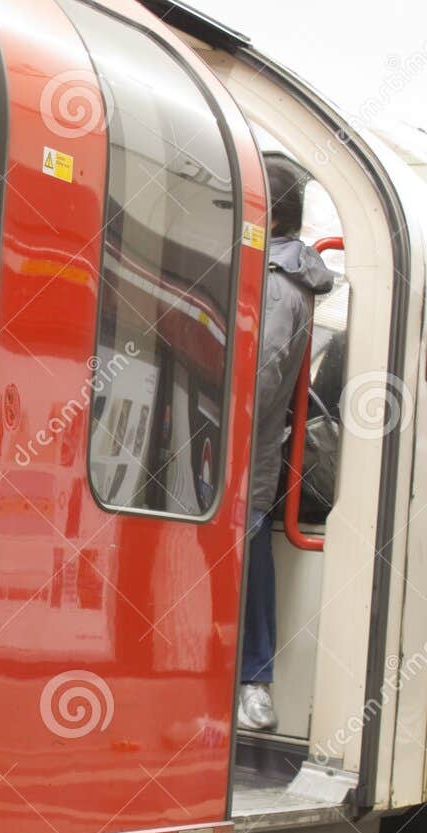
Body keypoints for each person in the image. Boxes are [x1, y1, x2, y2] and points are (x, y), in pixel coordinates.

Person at [239, 155, 334, 731]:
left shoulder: (275, 283)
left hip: (241, 457)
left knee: (246, 561)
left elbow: (258, 376)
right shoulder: (281, 275)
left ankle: (253, 682)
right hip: (246, 457)